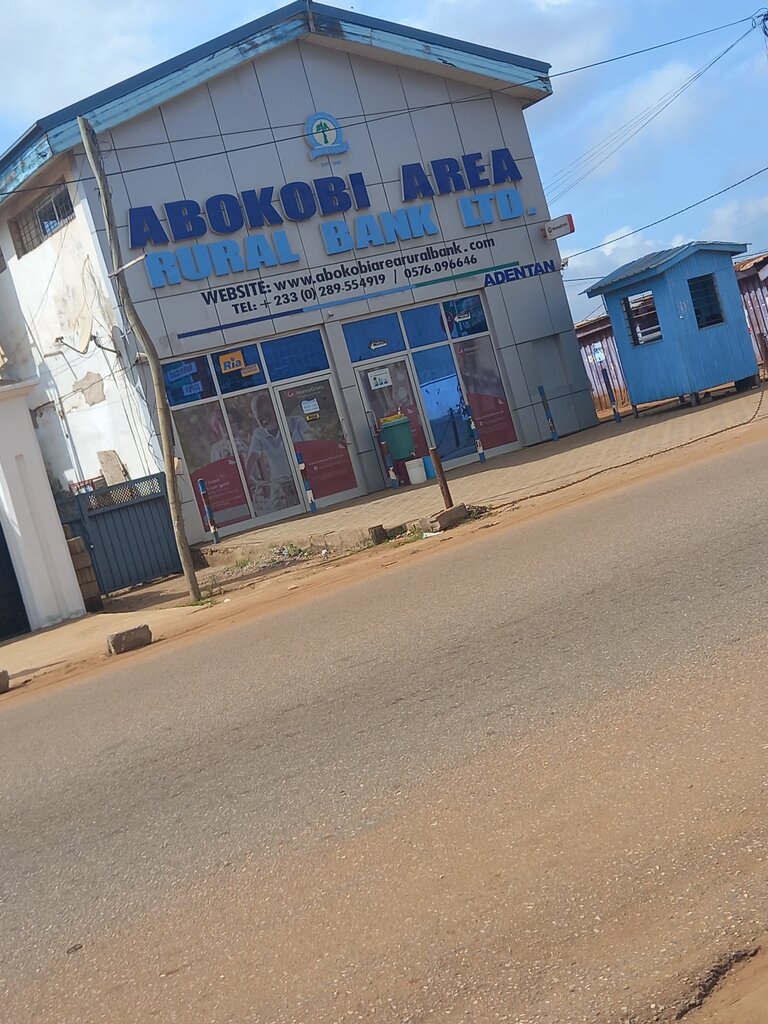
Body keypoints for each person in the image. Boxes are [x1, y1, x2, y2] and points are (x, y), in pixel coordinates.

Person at [245, 392, 299, 513]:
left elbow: (310, 445)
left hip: (298, 477)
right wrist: (246, 479)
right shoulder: (259, 434)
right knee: (278, 513)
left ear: (274, 408)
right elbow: (251, 458)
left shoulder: (294, 423)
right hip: (277, 484)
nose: (264, 421)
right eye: (260, 419)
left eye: (266, 415)